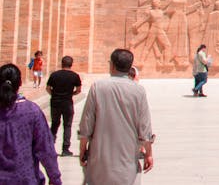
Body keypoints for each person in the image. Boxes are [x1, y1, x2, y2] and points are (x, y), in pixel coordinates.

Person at [78, 49, 154, 184]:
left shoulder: (98, 87)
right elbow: (145, 127)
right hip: (127, 156)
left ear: (112, 65)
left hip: (100, 156)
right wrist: (148, 153)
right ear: (130, 67)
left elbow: (87, 122)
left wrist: (83, 148)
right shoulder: (138, 91)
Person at [0, 62, 62, 184]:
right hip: (25, 179)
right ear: (20, 83)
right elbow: (45, 148)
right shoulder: (31, 111)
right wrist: (55, 178)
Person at [45, 56, 83, 157]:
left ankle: (49, 147)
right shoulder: (75, 76)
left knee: (54, 124)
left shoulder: (54, 75)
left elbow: (48, 88)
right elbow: (79, 90)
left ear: (62, 63)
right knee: (67, 125)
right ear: (71, 64)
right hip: (67, 103)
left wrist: (54, 94)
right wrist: (71, 94)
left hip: (55, 103)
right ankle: (65, 149)